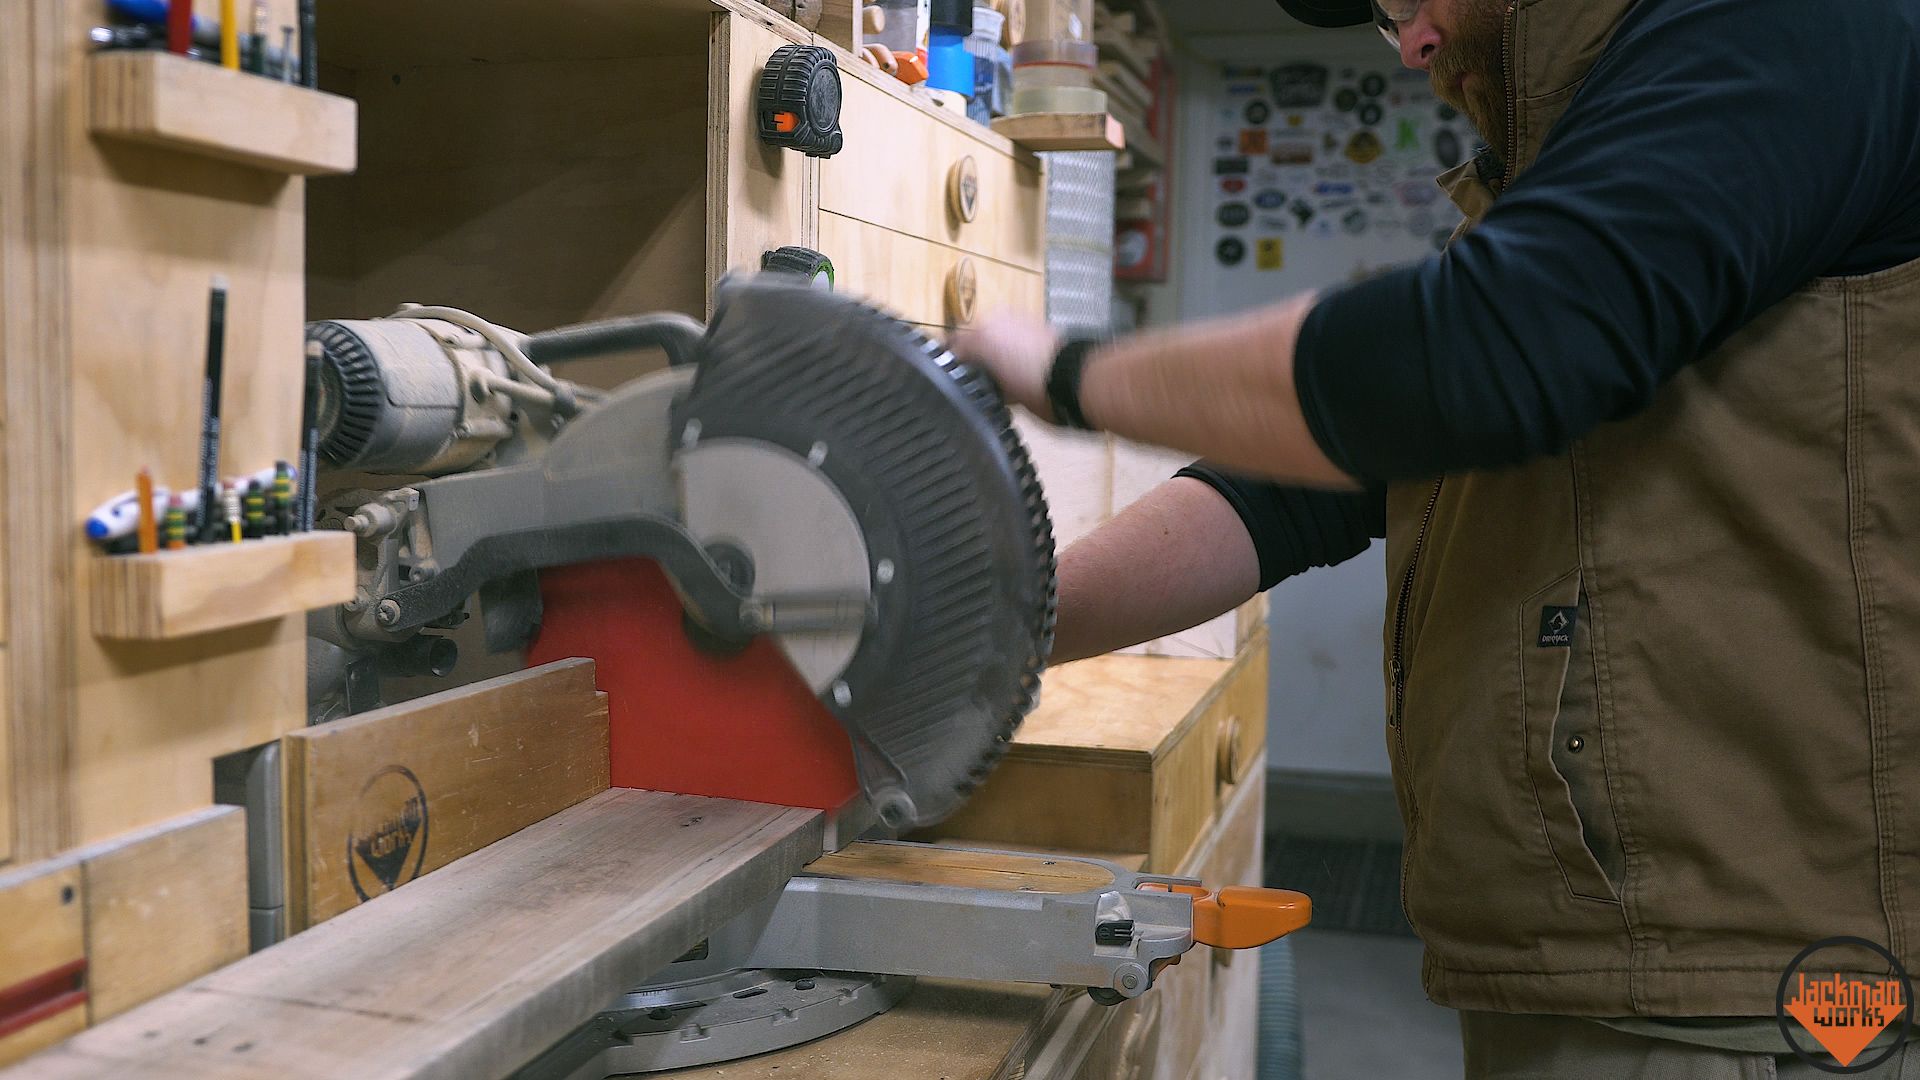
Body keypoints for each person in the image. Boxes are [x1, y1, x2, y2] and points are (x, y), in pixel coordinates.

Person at [951, 0, 1920, 1075]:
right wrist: (988, 631)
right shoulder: (1587, 153)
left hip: (1754, 982)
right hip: (1614, 956)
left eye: (1406, 1)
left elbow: (1488, 350)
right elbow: (1301, 488)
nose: (1412, 46)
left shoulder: (1789, 25)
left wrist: (1069, 375)